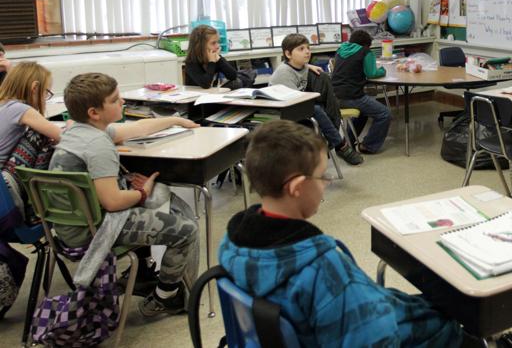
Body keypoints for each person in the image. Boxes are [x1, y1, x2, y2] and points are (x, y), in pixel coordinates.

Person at [218, 120, 459, 346]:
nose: (326, 183)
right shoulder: (323, 269)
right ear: (297, 187)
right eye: (322, 176)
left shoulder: (232, 244)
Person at [48, 73, 199, 317]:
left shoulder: (76, 131)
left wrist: (176, 120)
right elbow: (113, 202)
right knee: (186, 229)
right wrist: (142, 192)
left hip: (70, 227)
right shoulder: (98, 145)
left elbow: (138, 128)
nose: (123, 102)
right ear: (94, 112)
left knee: (157, 202)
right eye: (115, 100)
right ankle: (166, 296)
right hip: (94, 231)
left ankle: (143, 274)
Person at [270, 34, 362, 165]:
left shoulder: (302, 66)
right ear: (288, 54)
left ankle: (333, 142)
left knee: (323, 80)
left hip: (299, 105)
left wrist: (308, 66)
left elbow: (301, 77)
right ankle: (340, 145)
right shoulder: (284, 72)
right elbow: (292, 102)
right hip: (283, 112)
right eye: (301, 49)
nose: (307, 51)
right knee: (316, 109)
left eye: (308, 48)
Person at [331, 30, 391, 154]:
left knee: (364, 111)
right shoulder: (365, 52)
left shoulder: (341, 50)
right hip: (351, 96)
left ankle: (348, 142)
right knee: (384, 114)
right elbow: (372, 73)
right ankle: (368, 146)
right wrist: (382, 70)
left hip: (334, 96)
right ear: (366, 44)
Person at [0, 62, 62, 167]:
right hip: (2, 175)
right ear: (35, 87)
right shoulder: (20, 109)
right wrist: (70, 126)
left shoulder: (4, 103)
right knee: (40, 134)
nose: (46, 97)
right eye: (46, 92)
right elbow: (64, 136)